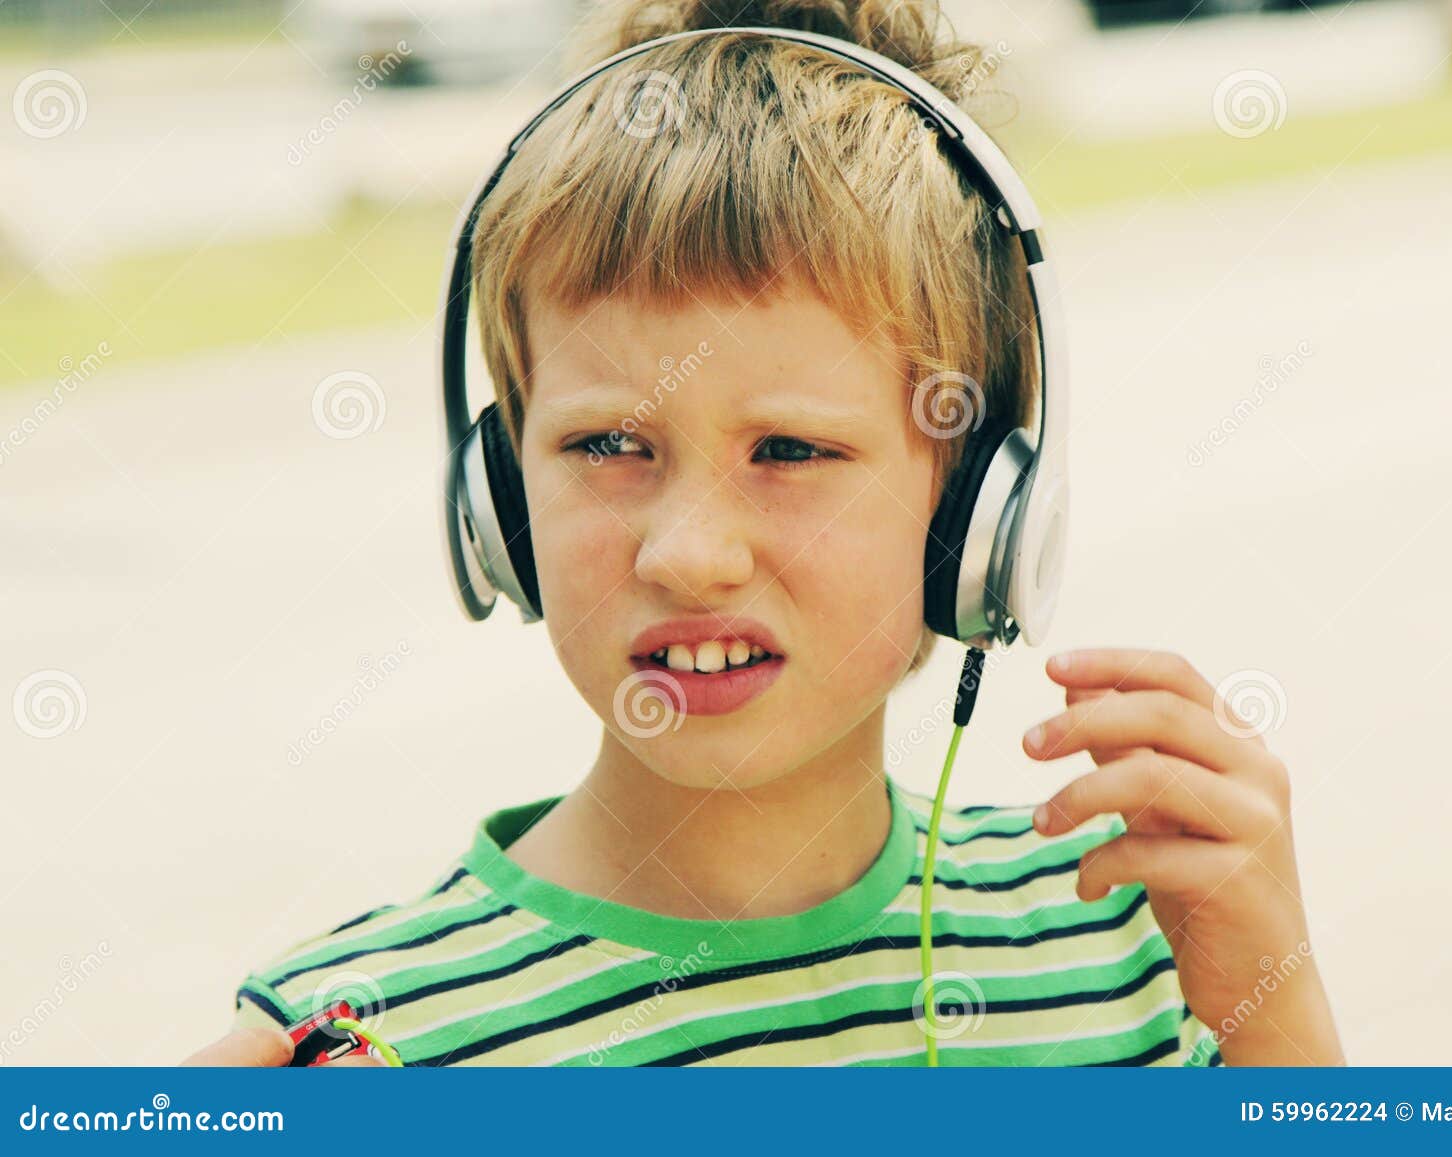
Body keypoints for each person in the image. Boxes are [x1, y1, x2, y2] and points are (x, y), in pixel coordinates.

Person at [187, 0, 1341, 1068]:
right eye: (607, 446)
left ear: (974, 512)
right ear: (497, 495)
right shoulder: (351, 1050)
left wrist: (1275, 1012)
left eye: (790, 452)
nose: (689, 554)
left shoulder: (1123, 940)